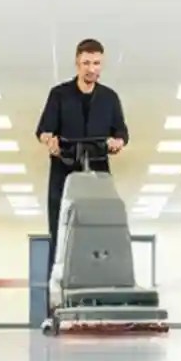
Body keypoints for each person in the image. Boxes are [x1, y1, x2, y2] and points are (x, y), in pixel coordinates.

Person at [34, 38, 129, 322]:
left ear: (102, 64)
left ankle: (102, 302)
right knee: (61, 235)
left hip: (97, 172)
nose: (91, 68)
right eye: (86, 63)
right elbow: (43, 131)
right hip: (64, 173)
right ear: (77, 63)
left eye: (96, 63)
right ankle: (55, 307)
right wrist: (49, 140)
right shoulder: (59, 95)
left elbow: (122, 133)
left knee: (101, 233)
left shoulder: (110, 98)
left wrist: (117, 142)